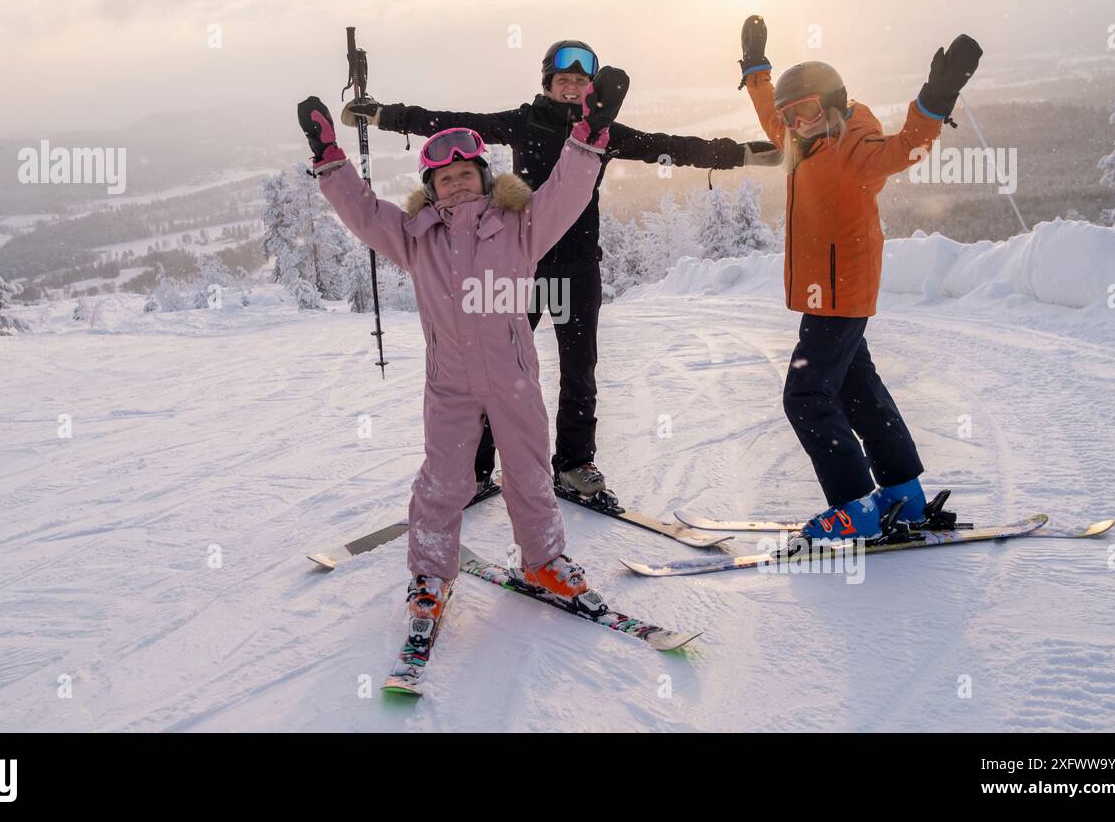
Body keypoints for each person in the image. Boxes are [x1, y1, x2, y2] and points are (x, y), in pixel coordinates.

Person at [342, 40, 779, 501]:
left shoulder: (601, 131)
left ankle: (574, 464)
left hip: (576, 269)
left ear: (591, 89)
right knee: (496, 369)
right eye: (563, 81)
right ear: (548, 85)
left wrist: (742, 155)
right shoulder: (521, 122)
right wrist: (380, 115)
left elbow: (667, 147)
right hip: (518, 270)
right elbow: (451, 123)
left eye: (580, 82)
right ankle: (475, 469)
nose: (571, 89)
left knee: (579, 371)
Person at [299, 65, 631, 617]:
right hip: (449, 383)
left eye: (466, 173)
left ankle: (543, 559)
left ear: (484, 176)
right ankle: (430, 574)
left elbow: (565, 193)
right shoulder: (415, 238)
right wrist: (330, 158)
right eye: (445, 177)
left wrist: (589, 136)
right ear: (430, 190)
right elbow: (361, 211)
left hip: (513, 378)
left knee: (529, 473)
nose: (457, 182)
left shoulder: (520, 226)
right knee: (443, 480)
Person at [737, 14, 983, 541]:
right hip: (822, 295)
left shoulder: (855, 150)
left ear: (830, 105)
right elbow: (768, 118)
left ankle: (855, 507)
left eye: (803, 111)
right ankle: (903, 494)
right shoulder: (802, 142)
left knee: (804, 397)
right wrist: (757, 69)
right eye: (789, 116)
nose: (794, 125)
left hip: (841, 294)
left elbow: (908, 147)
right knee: (858, 390)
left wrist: (936, 97)